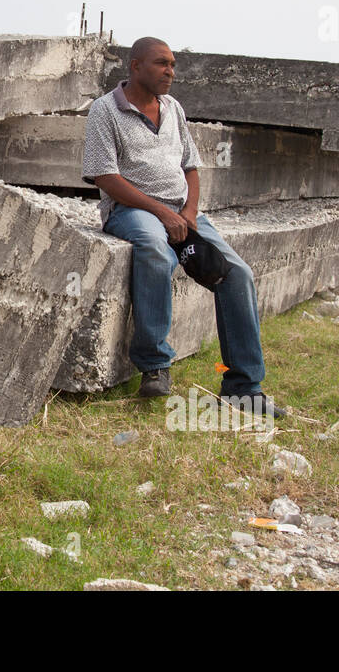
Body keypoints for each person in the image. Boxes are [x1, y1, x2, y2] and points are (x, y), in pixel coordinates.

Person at [81, 36, 284, 418]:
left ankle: (243, 386)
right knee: (157, 253)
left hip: (182, 211)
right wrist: (163, 213)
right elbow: (105, 176)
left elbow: (191, 166)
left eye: (173, 64)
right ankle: (155, 366)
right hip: (131, 210)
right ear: (136, 66)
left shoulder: (173, 108)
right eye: (161, 64)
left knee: (237, 273)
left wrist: (189, 213)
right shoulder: (105, 111)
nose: (170, 72)